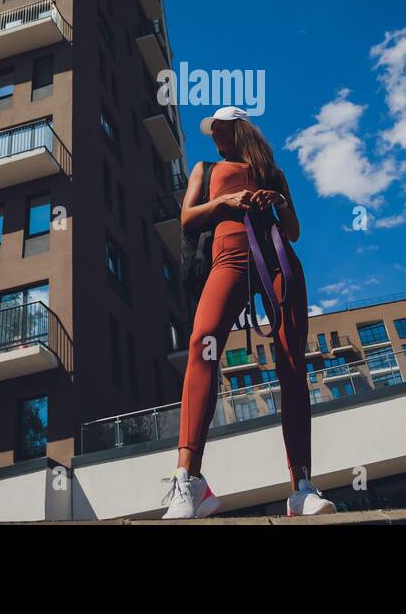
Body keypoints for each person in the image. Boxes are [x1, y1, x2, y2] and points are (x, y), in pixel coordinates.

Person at [161, 106, 336, 519]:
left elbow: (293, 230)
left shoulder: (273, 173)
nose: (214, 137)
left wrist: (277, 202)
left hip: (277, 257)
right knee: (201, 346)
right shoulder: (205, 167)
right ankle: (189, 480)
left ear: (238, 129)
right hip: (229, 259)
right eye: (212, 131)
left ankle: (302, 487)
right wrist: (228, 201)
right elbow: (187, 220)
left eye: (220, 129)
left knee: (292, 361)